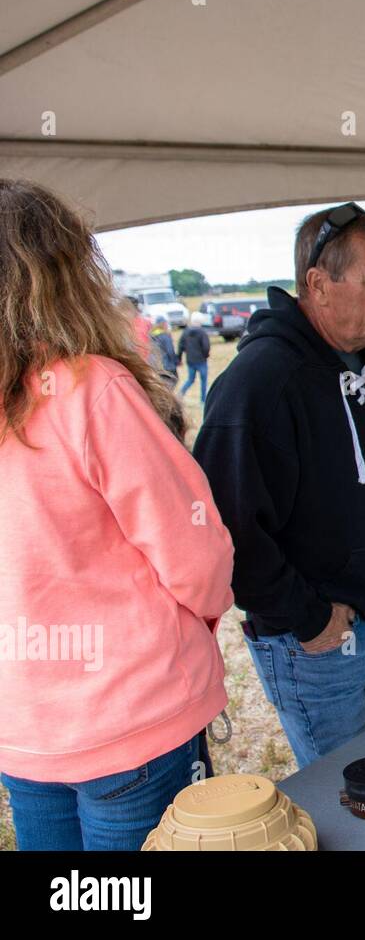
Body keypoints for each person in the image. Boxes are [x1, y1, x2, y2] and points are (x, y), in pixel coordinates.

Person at [0, 179, 234, 850]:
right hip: (132, 717)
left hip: (25, 729)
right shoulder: (90, 390)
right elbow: (195, 552)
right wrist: (202, 616)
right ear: (65, 274)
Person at [193, 202, 365, 769]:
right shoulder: (260, 382)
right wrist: (309, 617)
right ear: (319, 285)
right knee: (350, 798)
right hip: (313, 644)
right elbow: (226, 530)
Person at [177, 312, 210, 403]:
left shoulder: (185, 332)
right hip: (201, 361)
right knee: (203, 381)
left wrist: (179, 358)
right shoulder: (202, 332)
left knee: (190, 379)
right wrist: (206, 355)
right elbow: (206, 346)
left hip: (190, 360)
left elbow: (180, 345)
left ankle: (180, 393)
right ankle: (203, 400)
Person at [149, 315, 179, 387]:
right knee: (172, 382)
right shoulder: (165, 336)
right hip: (167, 366)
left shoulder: (151, 336)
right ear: (163, 324)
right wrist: (176, 361)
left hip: (155, 365)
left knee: (161, 385)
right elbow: (170, 351)